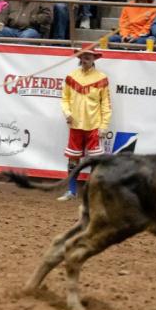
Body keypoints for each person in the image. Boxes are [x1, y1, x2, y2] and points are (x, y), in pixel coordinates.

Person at [58, 42, 111, 201]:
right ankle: (71, 191)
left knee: (96, 161)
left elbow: (106, 104)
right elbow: (64, 98)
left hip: (94, 125)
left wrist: (104, 126)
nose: (86, 58)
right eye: (83, 55)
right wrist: (67, 113)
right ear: (80, 57)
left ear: (94, 58)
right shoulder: (71, 76)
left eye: (89, 56)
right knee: (73, 159)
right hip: (75, 125)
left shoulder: (101, 78)